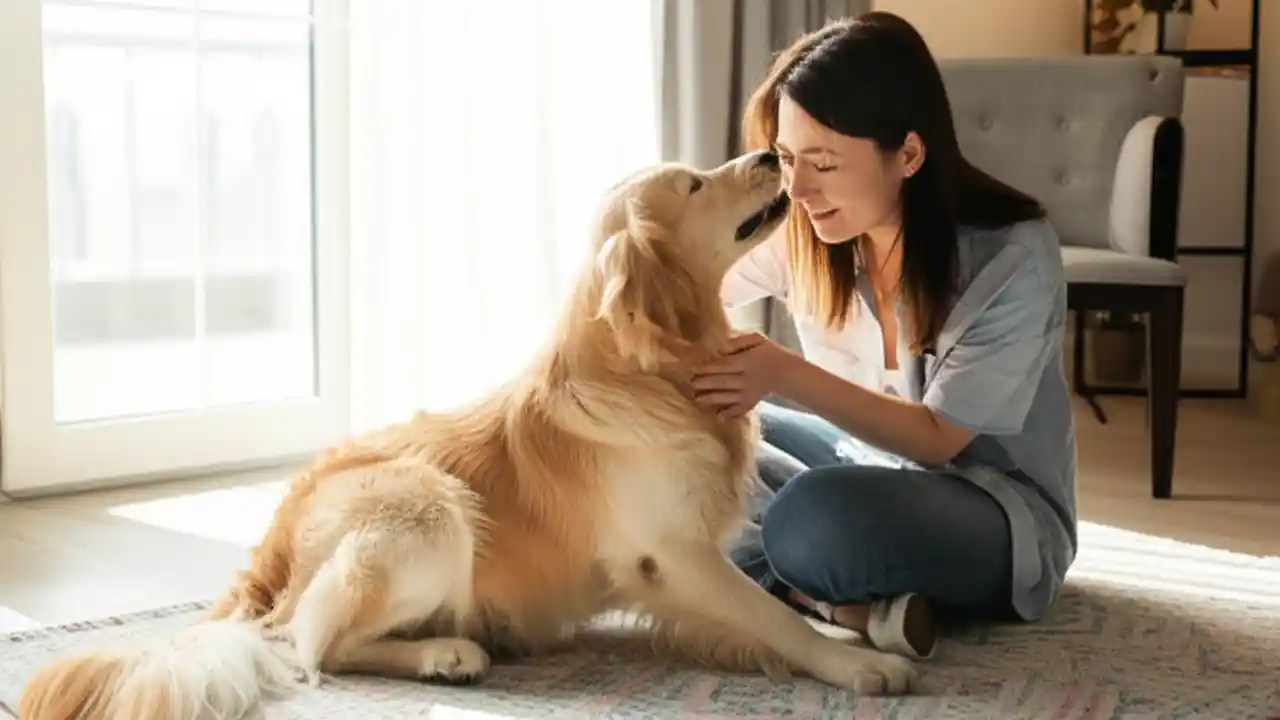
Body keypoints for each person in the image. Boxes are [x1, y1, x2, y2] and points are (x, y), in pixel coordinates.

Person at [691, 11, 1077, 661]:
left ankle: (785, 582)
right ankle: (838, 607)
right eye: (787, 160)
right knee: (694, 447)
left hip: (990, 508)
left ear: (909, 153)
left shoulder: (1011, 259)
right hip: (855, 463)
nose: (800, 189)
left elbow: (937, 439)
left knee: (813, 520)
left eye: (823, 163)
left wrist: (783, 372)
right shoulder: (806, 231)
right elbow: (693, 283)